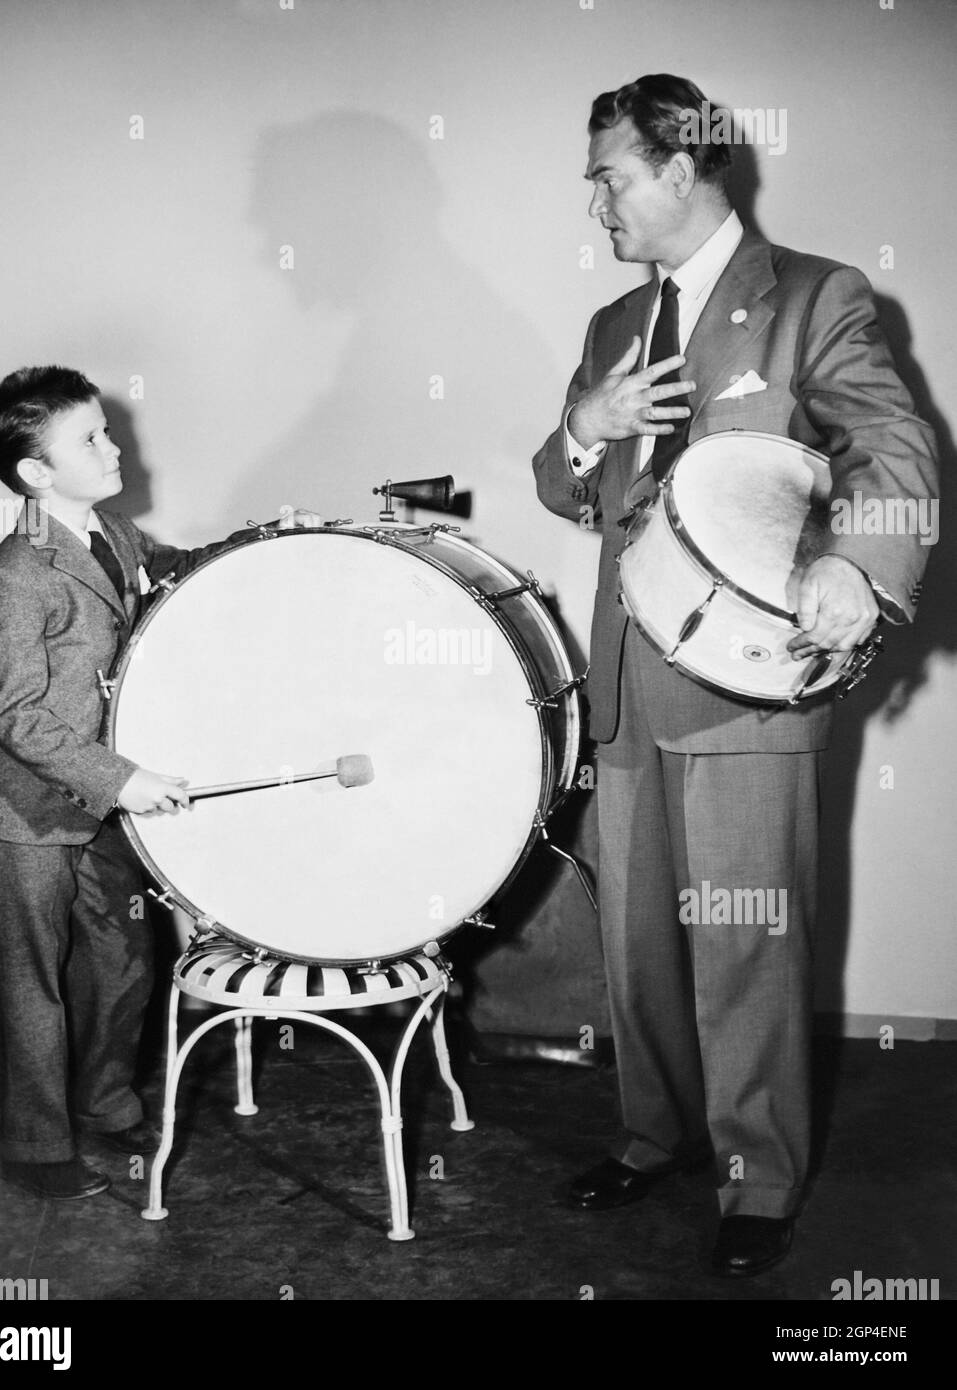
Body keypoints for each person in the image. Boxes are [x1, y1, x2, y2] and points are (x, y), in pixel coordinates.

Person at [533, 75, 937, 1275]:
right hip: (622, 681)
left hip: (745, 686)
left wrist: (860, 570)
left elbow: (894, 445)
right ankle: (651, 1134)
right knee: (635, 940)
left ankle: (757, 1177)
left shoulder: (815, 295)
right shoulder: (612, 328)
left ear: (674, 168)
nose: (593, 199)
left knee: (748, 938)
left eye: (606, 173)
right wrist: (581, 429)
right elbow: (567, 488)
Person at [0, 365, 317, 1200]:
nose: (113, 446)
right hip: (18, 807)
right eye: (90, 439)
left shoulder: (109, 533)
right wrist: (125, 779)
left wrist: (259, 541)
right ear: (35, 474)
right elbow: (18, 718)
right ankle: (36, 1149)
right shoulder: (13, 578)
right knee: (32, 985)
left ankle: (106, 1104)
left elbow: (173, 565)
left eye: (106, 431)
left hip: (97, 800)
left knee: (122, 959)